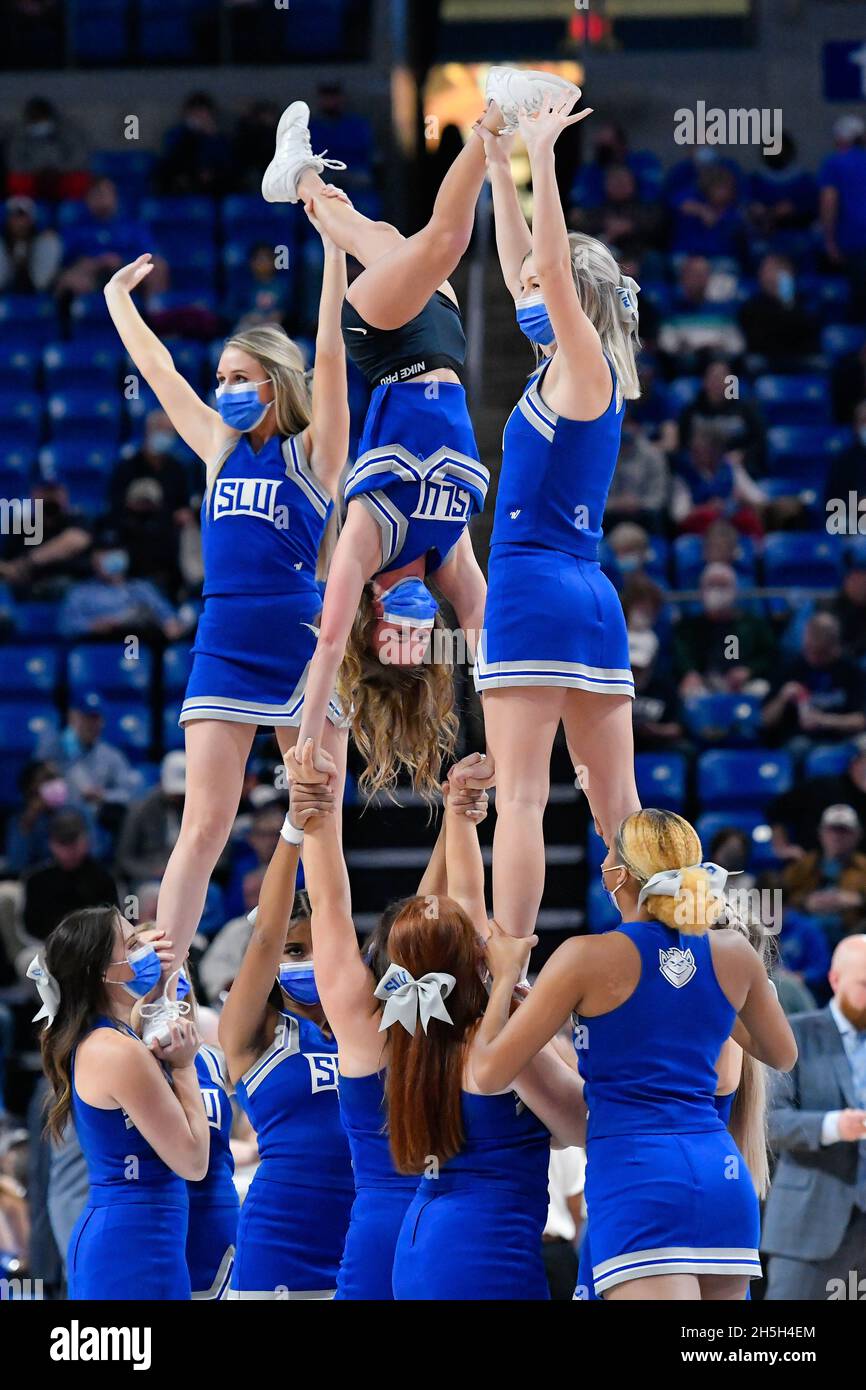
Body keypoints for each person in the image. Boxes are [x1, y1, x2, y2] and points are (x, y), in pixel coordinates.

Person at [269, 75, 578, 797]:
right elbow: (490, 649)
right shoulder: (448, 559)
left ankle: (494, 115)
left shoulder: (367, 542)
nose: (411, 631)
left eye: (394, 641)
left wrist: (308, 744)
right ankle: (302, 180)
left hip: (383, 346)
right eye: (420, 642)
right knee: (379, 237)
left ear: (377, 627)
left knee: (443, 239)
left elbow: (322, 654)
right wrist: (505, 752)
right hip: (441, 343)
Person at [102, 196, 350, 1047]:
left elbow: (328, 353)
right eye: (224, 380)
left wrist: (332, 249)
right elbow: (163, 371)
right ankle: (167, 988)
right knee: (202, 825)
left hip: (301, 646)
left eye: (242, 379)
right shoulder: (214, 446)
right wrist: (117, 306)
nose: (227, 391)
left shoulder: (315, 452)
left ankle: (336, 973)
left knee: (320, 817)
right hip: (222, 643)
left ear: (276, 385)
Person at [472, 808, 797, 1300]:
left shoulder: (585, 956)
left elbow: (488, 1073)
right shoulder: (733, 951)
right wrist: (702, 1003)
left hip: (638, 1177)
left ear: (620, 873)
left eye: (609, 855)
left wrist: (501, 982)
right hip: (721, 1179)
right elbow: (782, 1054)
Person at [466, 91, 640, 942]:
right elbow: (516, 266)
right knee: (621, 810)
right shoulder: (569, 372)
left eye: (545, 284)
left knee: (525, 798)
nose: (526, 291)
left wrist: (543, 155)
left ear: (574, 294)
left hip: (532, 586)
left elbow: (547, 271)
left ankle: (510, 969)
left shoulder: (582, 363)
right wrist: (500, 166)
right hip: (593, 598)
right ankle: (665, 947)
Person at [297, 741, 491, 1299]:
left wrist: (315, 808)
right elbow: (454, 923)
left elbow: (329, 903)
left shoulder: (359, 1022)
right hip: (453, 1229)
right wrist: (457, 817)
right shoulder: (470, 1017)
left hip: (378, 1229)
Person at [218, 782, 354, 1299]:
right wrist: (294, 831)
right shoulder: (253, 1031)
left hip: (362, 1226)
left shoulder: (365, 1022)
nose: (308, 962)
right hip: (282, 1233)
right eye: (296, 951)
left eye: (319, 948)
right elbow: (265, 936)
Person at [32, 909, 209, 1298]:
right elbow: (193, 1161)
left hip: (146, 1234)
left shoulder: (114, 1035)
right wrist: (184, 1067)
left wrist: (163, 980)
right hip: (131, 1245)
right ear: (103, 973)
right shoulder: (114, 1050)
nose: (147, 950)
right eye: (132, 945)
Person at [762, 935, 866, 1300]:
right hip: (808, 1221)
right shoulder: (796, 1033)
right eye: (864, 986)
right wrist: (833, 1126)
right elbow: (769, 1122)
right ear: (836, 981)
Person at [762, 613, 866, 746]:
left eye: (820, 652)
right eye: (808, 649)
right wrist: (783, 698)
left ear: (834, 647)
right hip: (798, 741)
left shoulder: (851, 671)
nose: (812, 657)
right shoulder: (791, 667)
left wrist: (823, 721)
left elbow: (861, 720)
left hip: (841, 741)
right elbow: (765, 720)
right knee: (798, 747)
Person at [57, 541, 188, 642]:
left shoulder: (142, 588)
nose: (111, 559)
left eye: (115, 554)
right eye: (104, 555)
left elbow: (169, 617)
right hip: (99, 645)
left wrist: (171, 625)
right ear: (94, 561)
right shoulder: (80, 592)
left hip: (138, 644)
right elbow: (65, 627)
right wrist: (94, 626)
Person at [23, 810, 118, 942]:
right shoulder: (37, 881)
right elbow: (32, 926)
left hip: (96, 945)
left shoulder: (103, 876)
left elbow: (115, 918)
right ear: (51, 844)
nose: (70, 849)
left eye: (74, 841)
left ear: (86, 840)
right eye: (63, 843)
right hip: (51, 945)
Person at [781, 804, 866, 944]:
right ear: (821, 833)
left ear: (858, 834)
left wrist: (859, 899)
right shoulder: (803, 866)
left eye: (844, 831)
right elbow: (779, 897)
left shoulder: (864, 867)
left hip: (852, 935)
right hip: (805, 939)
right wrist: (805, 902)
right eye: (831, 830)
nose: (837, 836)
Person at [115, 751, 186, 887]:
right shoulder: (140, 811)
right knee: (155, 895)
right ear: (161, 782)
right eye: (174, 792)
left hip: (185, 875)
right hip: (149, 878)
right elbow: (125, 859)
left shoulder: (193, 808)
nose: (178, 797)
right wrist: (152, 872)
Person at [0, 194, 62, 292]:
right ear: (8, 219)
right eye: (16, 217)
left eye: (23, 217)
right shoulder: (3, 241)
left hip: (36, 291)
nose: (20, 222)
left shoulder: (44, 241)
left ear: (31, 219)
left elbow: (41, 281)